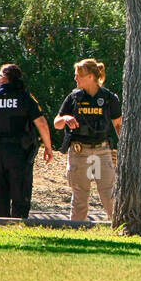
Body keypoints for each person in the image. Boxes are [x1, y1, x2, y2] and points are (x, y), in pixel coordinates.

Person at [0, 63, 54, 218]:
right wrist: (48, 148)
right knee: (20, 194)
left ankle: (1, 227)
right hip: (20, 153)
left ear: (5, 79)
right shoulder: (25, 97)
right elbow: (42, 124)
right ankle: (19, 226)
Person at [53, 58, 122, 222]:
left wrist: (124, 149)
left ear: (91, 76)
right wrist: (66, 118)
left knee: (108, 194)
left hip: (102, 151)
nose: (75, 78)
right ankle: (77, 231)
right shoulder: (74, 97)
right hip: (79, 151)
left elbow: (118, 125)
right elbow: (57, 123)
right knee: (79, 196)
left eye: (79, 75)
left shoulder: (108, 98)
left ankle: (119, 228)